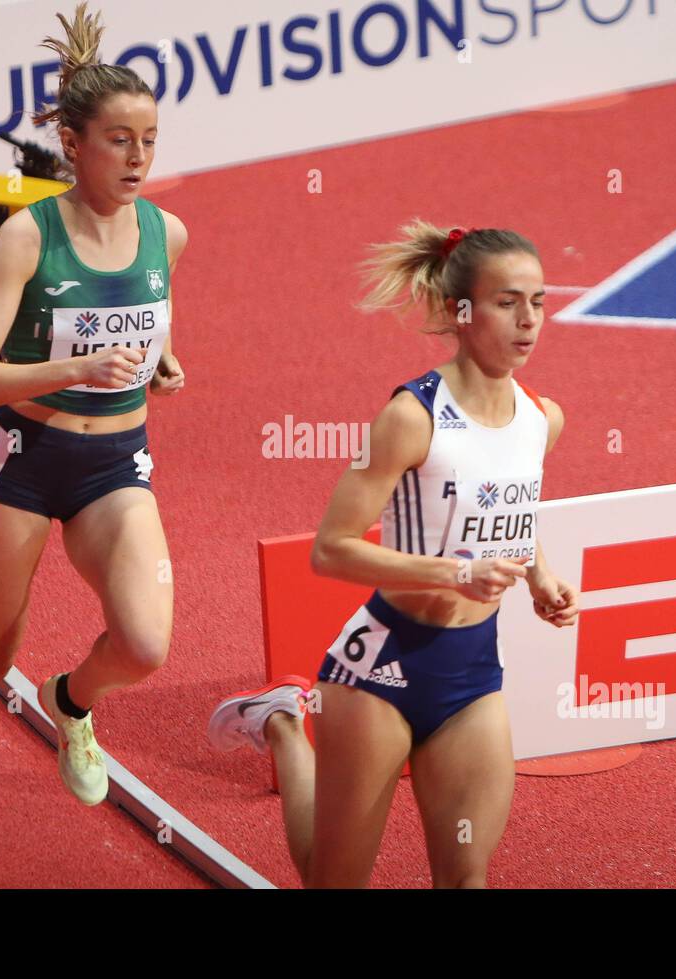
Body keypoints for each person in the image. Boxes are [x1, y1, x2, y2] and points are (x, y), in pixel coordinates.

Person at [208, 220, 578, 888]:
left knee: (465, 877)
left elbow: (509, 511)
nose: (529, 320)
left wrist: (540, 576)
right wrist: (458, 572)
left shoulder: (540, 418)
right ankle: (287, 726)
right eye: (507, 302)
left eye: (539, 301)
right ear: (459, 312)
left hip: (471, 674)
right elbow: (332, 550)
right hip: (382, 665)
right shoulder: (411, 417)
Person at [0, 2, 187, 886]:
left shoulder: (166, 232)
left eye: (148, 140)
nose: (139, 159)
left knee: (146, 643)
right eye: (119, 141)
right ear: (72, 144)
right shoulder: (25, 236)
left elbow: (142, 319)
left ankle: (70, 700)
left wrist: (160, 359)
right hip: (21, 468)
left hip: (116, 463)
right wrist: (72, 365)